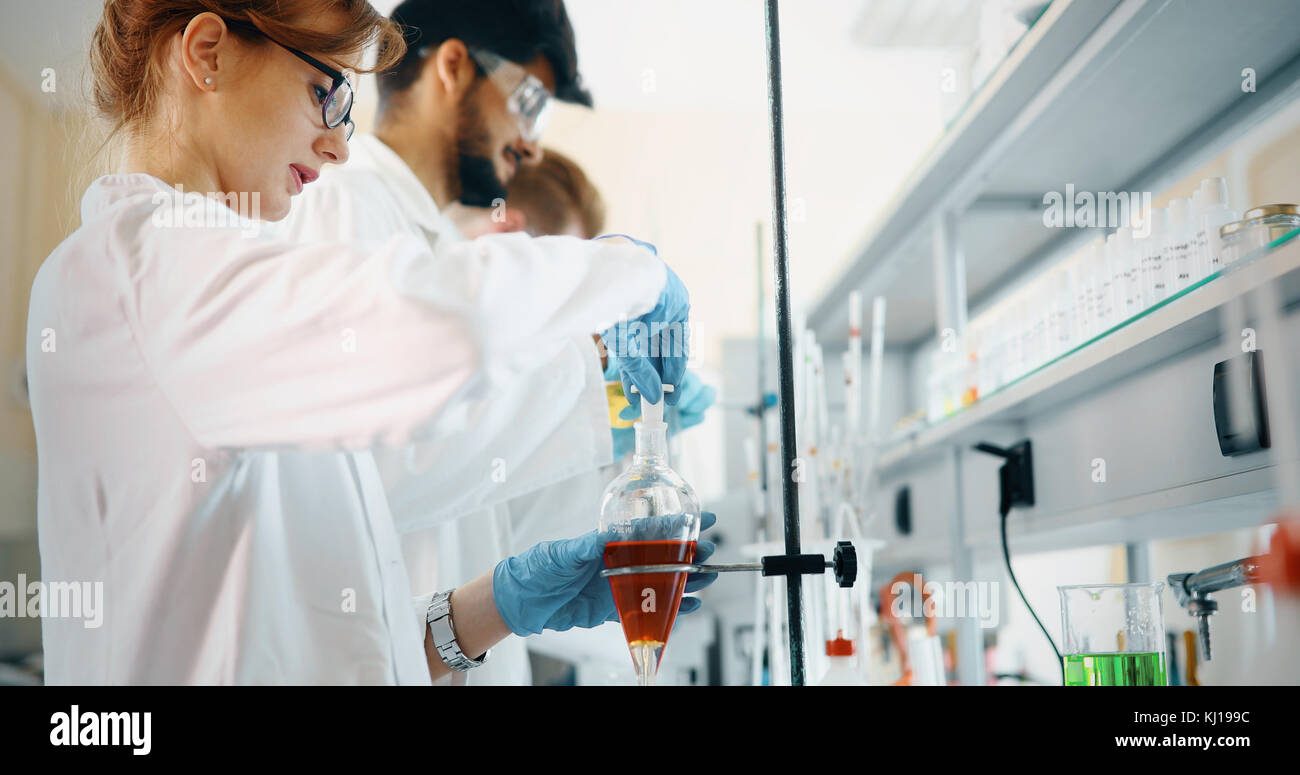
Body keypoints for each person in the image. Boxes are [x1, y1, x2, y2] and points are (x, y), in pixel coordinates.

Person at [26, 0, 710, 685]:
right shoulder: (141, 262)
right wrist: (624, 270)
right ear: (207, 52)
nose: (340, 146)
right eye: (325, 92)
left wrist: (492, 606)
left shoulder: (220, 290)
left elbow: (315, 634)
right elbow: (435, 332)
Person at [276, 1, 711, 685]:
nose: (532, 142)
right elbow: (369, 465)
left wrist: (618, 460)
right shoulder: (345, 205)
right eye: (530, 101)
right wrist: (590, 369)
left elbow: (490, 503)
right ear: (453, 66)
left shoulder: (432, 237)